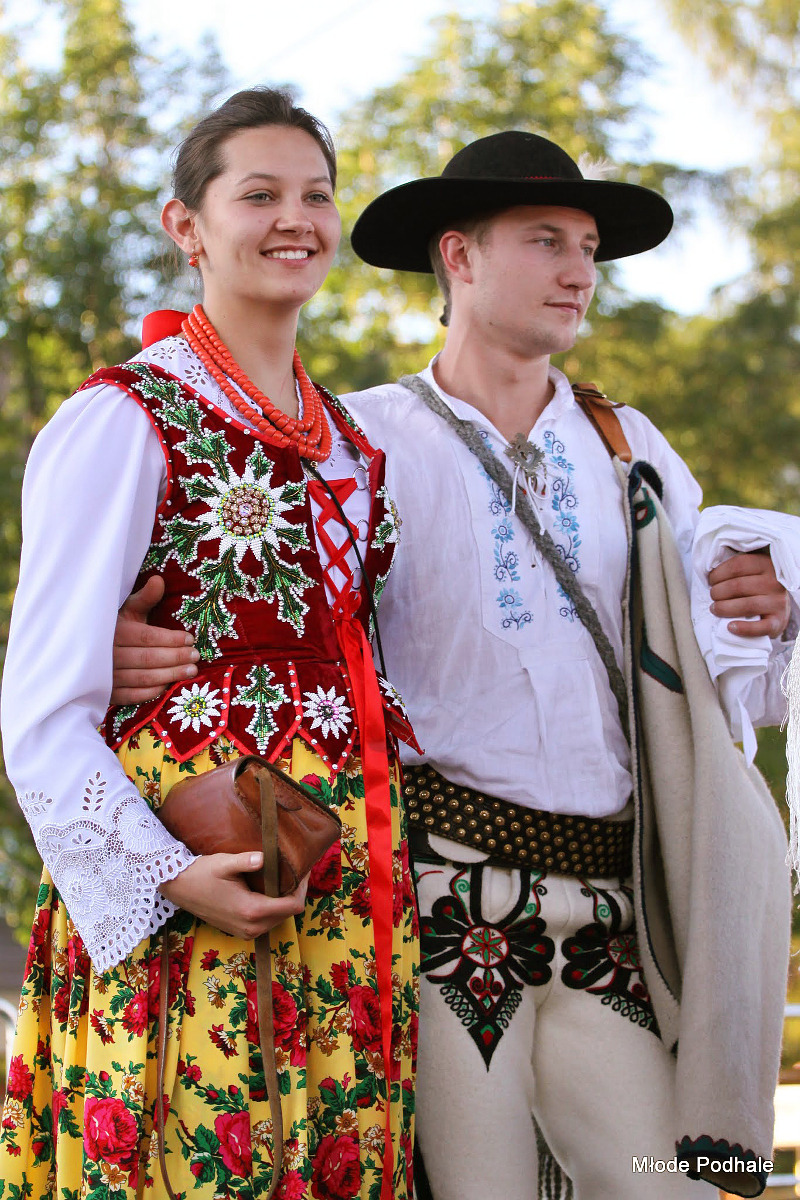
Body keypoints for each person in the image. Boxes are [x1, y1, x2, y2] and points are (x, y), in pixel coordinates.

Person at [110, 132, 795, 1200]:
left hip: (613, 907)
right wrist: (135, 642)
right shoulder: (357, 444)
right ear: (459, 258)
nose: (578, 271)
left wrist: (767, 601)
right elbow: (266, 627)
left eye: (586, 247)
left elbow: (717, 641)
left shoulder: (631, 446)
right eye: (544, 241)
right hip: (440, 901)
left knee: (668, 1183)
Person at [0, 88, 419, 1200]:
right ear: (187, 226)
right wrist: (172, 873)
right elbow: (41, 708)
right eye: (259, 194)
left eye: (317, 194)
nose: (297, 219)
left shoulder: (356, 445)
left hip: (344, 886)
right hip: (183, 886)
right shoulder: (121, 419)